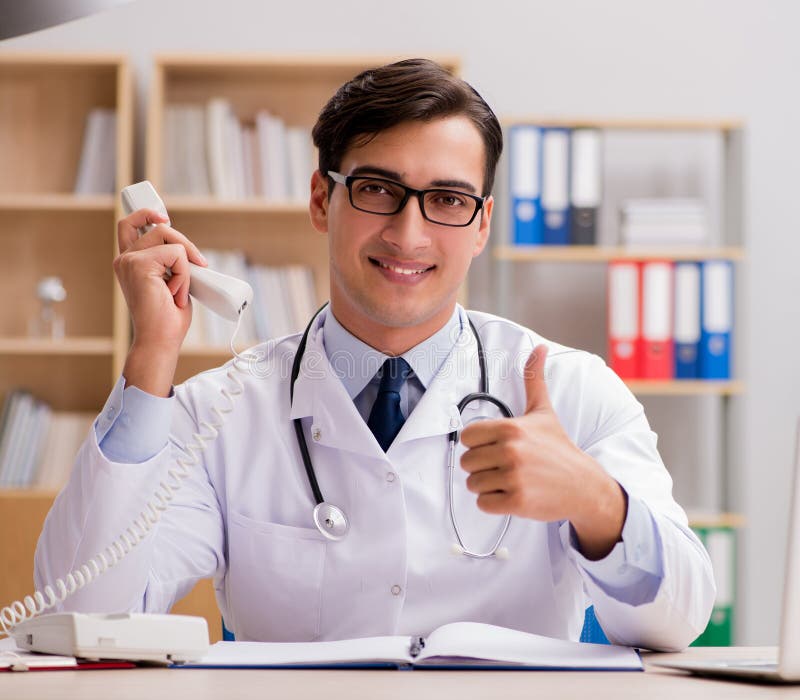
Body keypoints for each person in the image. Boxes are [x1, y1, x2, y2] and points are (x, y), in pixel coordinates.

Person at [34, 58, 714, 651]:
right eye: (378, 190)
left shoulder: (571, 391)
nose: (408, 234)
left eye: (447, 199)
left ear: (481, 224)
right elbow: (80, 617)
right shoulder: (221, 409)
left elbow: (678, 622)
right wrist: (153, 354)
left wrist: (594, 500)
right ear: (321, 200)